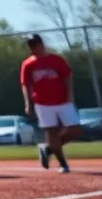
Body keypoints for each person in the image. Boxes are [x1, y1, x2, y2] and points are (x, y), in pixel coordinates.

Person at [20, 33, 81, 173]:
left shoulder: (56, 60)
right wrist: (28, 103)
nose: (35, 48)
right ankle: (63, 164)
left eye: (36, 44)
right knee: (52, 132)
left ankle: (48, 149)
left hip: (62, 100)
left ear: (42, 44)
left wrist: (70, 94)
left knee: (75, 130)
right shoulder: (28, 64)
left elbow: (67, 77)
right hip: (43, 103)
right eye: (31, 45)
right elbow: (25, 84)